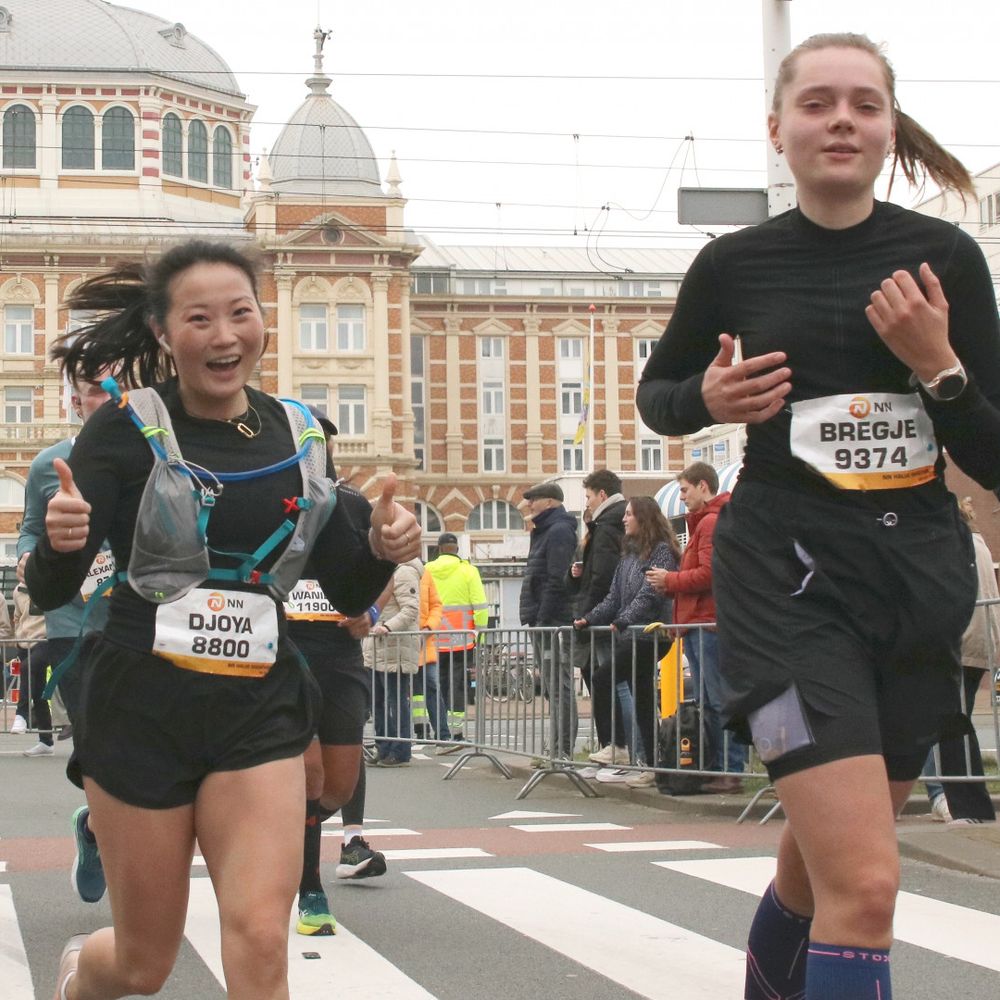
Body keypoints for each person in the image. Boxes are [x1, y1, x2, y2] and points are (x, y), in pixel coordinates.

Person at [636, 33, 1000, 1000]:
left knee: (821, 869)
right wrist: (706, 400)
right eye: (818, 103)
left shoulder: (945, 260)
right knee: (869, 883)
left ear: (889, 131)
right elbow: (658, 395)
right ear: (778, 130)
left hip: (915, 585)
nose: (842, 119)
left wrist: (940, 367)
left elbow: (994, 450)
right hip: (785, 580)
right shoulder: (734, 262)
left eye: (865, 105)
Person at [26, 240, 419, 1000]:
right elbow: (52, 588)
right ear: (165, 334)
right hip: (140, 706)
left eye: (241, 313)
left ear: (263, 320)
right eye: (200, 318)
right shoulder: (122, 428)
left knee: (260, 936)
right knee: (144, 965)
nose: (225, 335)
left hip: (258, 709)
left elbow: (342, 588)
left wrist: (378, 545)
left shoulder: (301, 433)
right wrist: (60, 536)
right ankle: (82, 972)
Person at [284, 408, 388, 941]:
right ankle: (309, 889)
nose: (310, 453)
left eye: (317, 445)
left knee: (338, 785)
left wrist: (369, 613)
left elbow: (384, 572)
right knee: (309, 777)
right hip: (285, 651)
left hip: (340, 655)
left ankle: (282, 834)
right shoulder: (272, 504)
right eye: (301, 444)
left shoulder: (352, 503)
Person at [16, 369, 116, 900]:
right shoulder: (47, 464)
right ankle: (100, 830)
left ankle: (103, 826)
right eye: (97, 389)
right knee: (97, 740)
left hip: (141, 624)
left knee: (143, 745)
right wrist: (29, 556)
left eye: (120, 386)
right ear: (76, 400)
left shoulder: (154, 456)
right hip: (72, 627)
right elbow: (30, 528)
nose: (109, 397)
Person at [645, 461, 746, 792]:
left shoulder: (710, 523)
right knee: (710, 700)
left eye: (685, 490)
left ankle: (729, 769)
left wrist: (670, 581)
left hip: (707, 625)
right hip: (701, 624)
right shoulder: (708, 521)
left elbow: (708, 573)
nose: (683, 497)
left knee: (716, 700)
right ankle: (721, 768)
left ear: (704, 486)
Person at [574, 496, 679, 788]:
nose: (624, 518)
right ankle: (653, 766)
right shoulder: (629, 555)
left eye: (630, 514)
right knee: (644, 699)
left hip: (650, 634)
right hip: (631, 634)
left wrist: (622, 620)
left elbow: (649, 594)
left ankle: (618, 745)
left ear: (643, 518)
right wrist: (589, 618)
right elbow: (613, 597)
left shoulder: (660, 552)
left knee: (602, 677)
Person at [923, 497, 998, 825]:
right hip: (979, 642)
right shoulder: (978, 544)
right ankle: (971, 804)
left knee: (949, 725)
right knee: (958, 722)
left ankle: (964, 806)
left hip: (958, 642)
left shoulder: (954, 545)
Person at [567, 469, 629, 766]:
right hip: (608, 613)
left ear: (602, 494)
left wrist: (588, 615)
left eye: (589, 497)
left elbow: (603, 576)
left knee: (614, 682)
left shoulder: (607, 525)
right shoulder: (612, 522)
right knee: (614, 681)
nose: (588, 503)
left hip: (604, 617)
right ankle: (622, 746)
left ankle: (623, 746)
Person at [520, 481, 578, 760]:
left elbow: (557, 578)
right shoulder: (546, 530)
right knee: (554, 686)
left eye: (535, 499)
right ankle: (557, 746)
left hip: (552, 620)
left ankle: (562, 747)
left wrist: (543, 617)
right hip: (543, 618)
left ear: (551, 502)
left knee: (559, 685)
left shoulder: (558, 530)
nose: (530, 504)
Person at [424, 532, 488, 750]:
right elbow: (479, 604)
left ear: (439, 549)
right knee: (457, 684)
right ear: (457, 549)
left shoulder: (427, 570)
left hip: (432, 638)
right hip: (462, 639)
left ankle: (435, 729)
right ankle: (457, 733)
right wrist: (480, 633)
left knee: (435, 684)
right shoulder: (468, 571)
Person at [365, 558, 423, 766]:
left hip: (395, 647)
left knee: (395, 701)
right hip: (377, 647)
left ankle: (399, 751)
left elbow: (410, 609)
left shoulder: (404, 572)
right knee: (378, 702)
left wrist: (387, 627)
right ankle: (383, 747)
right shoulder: (383, 570)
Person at [10, 581, 49, 753]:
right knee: (39, 691)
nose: (22, 568)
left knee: (26, 668)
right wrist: (19, 634)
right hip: (24, 642)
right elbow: (17, 616)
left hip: (44, 639)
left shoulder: (47, 583)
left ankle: (21, 714)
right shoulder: (17, 591)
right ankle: (46, 741)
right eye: (20, 565)